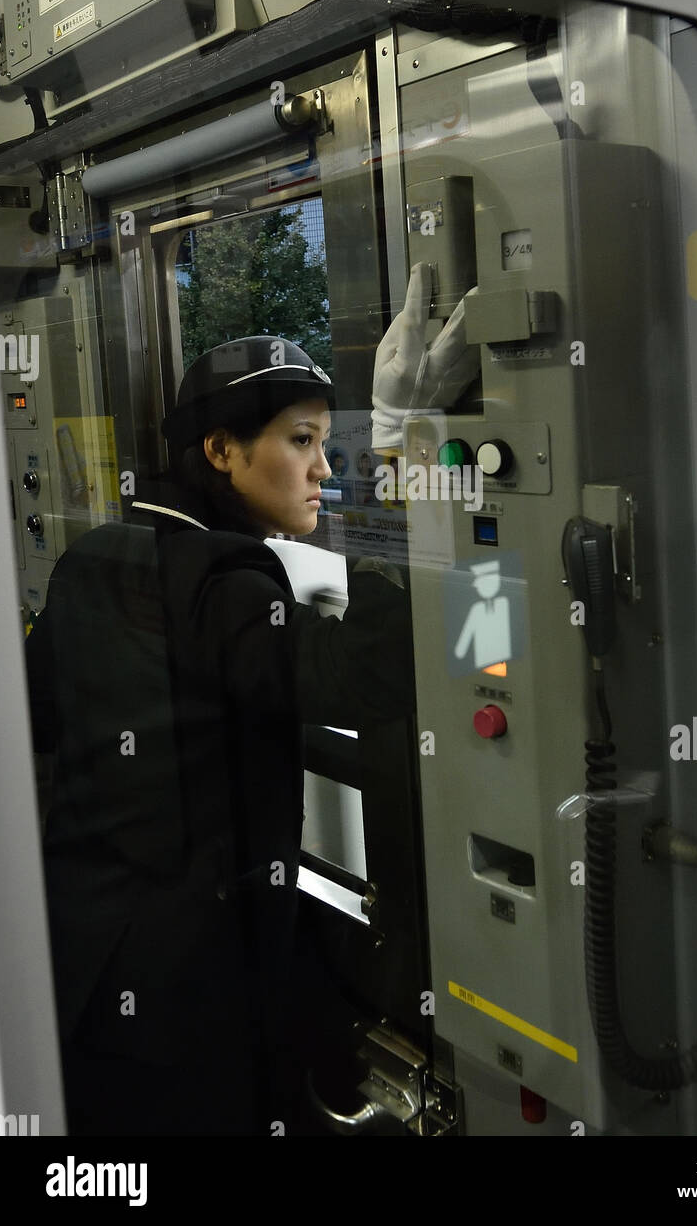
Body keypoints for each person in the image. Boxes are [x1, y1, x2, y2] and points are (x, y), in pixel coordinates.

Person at [25, 334, 414, 1136]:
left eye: (325, 443)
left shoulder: (97, 554)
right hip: (188, 996)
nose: (324, 470)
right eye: (301, 442)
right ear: (221, 451)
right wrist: (396, 470)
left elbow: (39, 715)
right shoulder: (224, 577)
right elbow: (362, 674)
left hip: (81, 965)